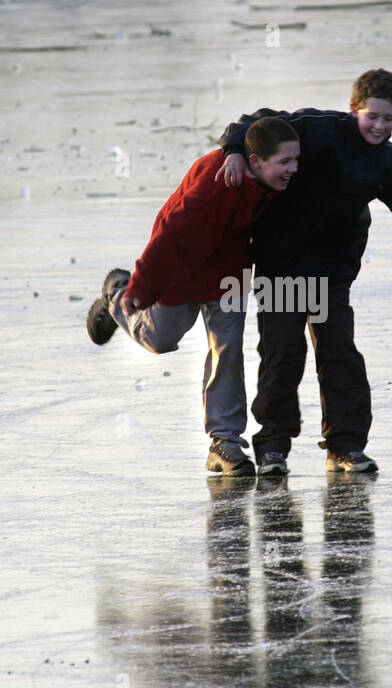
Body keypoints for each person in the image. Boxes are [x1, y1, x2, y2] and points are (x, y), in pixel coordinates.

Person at [216, 68, 392, 475]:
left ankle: (344, 446)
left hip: (330, 271)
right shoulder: (318, 129)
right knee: (282, 353)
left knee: (338, 352)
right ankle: (273, 447)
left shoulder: (386, 162)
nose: (378, 126)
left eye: (388, 119)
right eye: (371, 116)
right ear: (354, 109)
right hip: (281, 263)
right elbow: (256, 124)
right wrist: (235, 150)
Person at [86, 117, 300, 476]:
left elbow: (255, 122)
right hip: (182, 269)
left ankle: (224, 441)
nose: (293, 169)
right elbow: (171, 236)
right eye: (286, 162)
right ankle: (116, 293)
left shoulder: (267, 173)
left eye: (296, 161)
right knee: (159, 339)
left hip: (229, 272)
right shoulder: (218, 183)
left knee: (227, 348)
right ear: (257, 160)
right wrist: (140, 288)